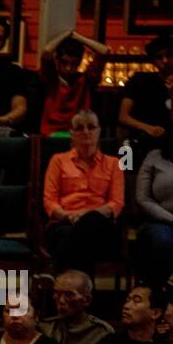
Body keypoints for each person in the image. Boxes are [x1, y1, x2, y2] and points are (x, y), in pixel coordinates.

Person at [43, 109, 124, 277]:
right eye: (79, 128)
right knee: (80, 241)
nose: (86, 132)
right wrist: (67, 216)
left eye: (91, 127)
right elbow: (49, 201)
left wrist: (86, 216)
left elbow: (116, 203)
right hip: (64, 223)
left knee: (89, 223)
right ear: (71, 133)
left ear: (99, 131)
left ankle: (57, 272)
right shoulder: (58, 160)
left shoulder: (114, 163)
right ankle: (85, 297)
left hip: (102, 227)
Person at [39, 28, 109, 136]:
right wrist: (65, 35)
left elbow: (104, 51)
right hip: (52, 132)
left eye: (73, 64)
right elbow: (47, 51)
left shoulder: (86, 79)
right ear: (57, 59)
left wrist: (78, 37)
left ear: (80, 61)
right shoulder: (52, 77)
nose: (68, 68)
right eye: (64, 63)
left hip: (79, 132)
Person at [118, 33, 173, 162]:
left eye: (169, 55)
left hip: (169, 147)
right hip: (138, 142)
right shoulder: (140, 80)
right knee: (126, 160)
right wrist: (147, 128)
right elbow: (123, 117)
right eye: (159, 57)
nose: (165, 61)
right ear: (153, 61)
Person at [136, 126, 173, 290]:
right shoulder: (155, 157)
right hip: (161, 222)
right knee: (162, 240)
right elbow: (142, 198)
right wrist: (172, 219)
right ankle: (155, 295)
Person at [37, 269, 113, 344]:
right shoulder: (45, 327)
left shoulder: (101, 333)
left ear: (87, 300)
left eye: (69, 294)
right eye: (57, 293)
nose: (61, 300)